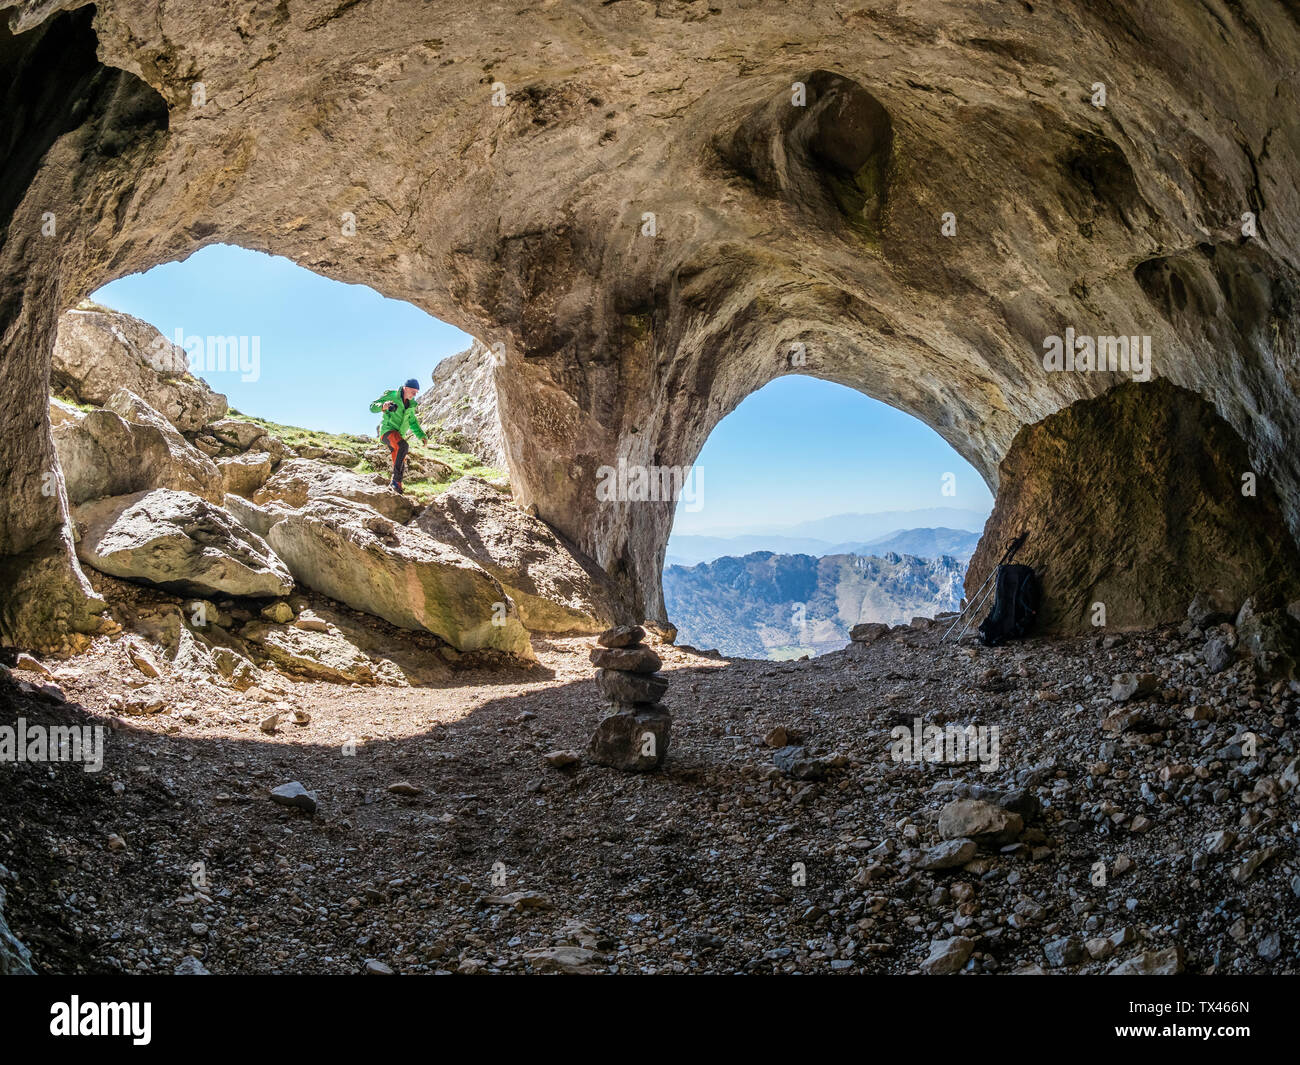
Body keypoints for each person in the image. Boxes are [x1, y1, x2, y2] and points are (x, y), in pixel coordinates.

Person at [369, 378, 427, 493]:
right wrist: (383, 406)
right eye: (413, 391)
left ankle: (397, 487)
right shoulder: (391, 395)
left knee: (401, 459)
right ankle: (395, 481)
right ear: (405, 388)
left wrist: (421, 436)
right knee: (403, 446)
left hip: (398, 436)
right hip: (387, 431)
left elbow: (413, 422)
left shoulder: (411, 405)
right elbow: (372, 407)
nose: (415, 394)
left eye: (416, 392)